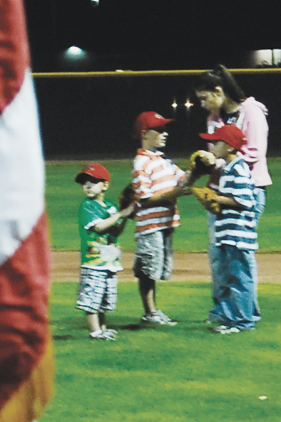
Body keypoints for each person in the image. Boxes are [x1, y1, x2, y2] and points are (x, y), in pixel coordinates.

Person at [191, 123, 262, 334]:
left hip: (238, 236)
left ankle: (243, 322)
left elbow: (246, 201)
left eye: (216, 142)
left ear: (230, 147)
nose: (211, 145)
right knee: (232, 279)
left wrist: (216, 197)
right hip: (229, 234)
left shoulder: (238, 168)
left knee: (240, 279)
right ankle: (232, 320)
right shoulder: (229, 168)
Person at [126, 112, 187, 327]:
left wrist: (201, 167)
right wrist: (173, 194)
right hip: (150, 225)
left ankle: (153, 312)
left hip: (165, 224)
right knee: (148, 270)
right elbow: (145, 197)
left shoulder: (165, 162)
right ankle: (150, 312)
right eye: (159, 130)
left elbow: (184, 180)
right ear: (145, 133)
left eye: (164, 129)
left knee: (157, 268)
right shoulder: (141, 162)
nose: (165, 133)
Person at [192, 66, 271, 191]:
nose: (202, 104)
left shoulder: (252, 111)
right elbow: (215, 152)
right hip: (220, 186)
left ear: (218, 91)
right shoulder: (212, 118)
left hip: (249, 185)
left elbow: (255, 152)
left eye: (204, 98)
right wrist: (206, 161)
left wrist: (220, 161)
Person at [74, 164, 127, 339]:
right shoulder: (87, 206)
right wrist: (120, 215)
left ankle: (102, 329)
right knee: (92, 299)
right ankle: (95, 332)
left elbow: (116, 231)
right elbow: (99, 227)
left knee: (105, 298)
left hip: (110, 261)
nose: (88, 186)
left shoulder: (110, 207)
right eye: (85, 183)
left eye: (93, 182)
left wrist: (125, 216)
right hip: (93, 261)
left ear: (105, 185)